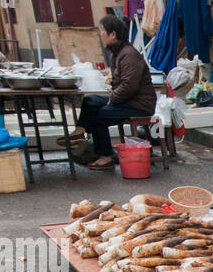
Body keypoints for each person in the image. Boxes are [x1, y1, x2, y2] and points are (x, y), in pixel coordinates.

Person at [63, 14, 156, 171]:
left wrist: (112, 99)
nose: (101, 35)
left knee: (100, 115)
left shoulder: (129, 55)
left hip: (139, 104)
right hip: (127, 99)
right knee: (90, 101)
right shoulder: (117, 53)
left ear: (113, 34)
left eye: (102, 31)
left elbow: (129, 86)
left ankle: (106, 157)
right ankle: (80, 131)